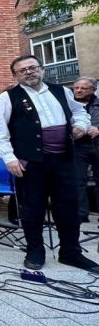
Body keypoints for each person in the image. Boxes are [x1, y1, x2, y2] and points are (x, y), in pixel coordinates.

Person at [0, 55, 99, 272]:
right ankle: (35, 251)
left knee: (69, 207)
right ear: (16, 76)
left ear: (42, 69)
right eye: (22, 71)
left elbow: (79, 112)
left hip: (65, 159)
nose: (29, 72)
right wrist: (9, 158)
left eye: (32, 68)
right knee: (32, 209)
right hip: (31, 162)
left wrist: (80, 125)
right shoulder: (7, 98)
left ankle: (70, 252)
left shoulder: (62, 91)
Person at [71, 76, 99, 223]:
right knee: (78, 180)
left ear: (93, 89)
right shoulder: (70, 104)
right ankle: (81, 214)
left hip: (97, 144)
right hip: (78, 146)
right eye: (76, 88)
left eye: (83, 88)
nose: (79, 90)